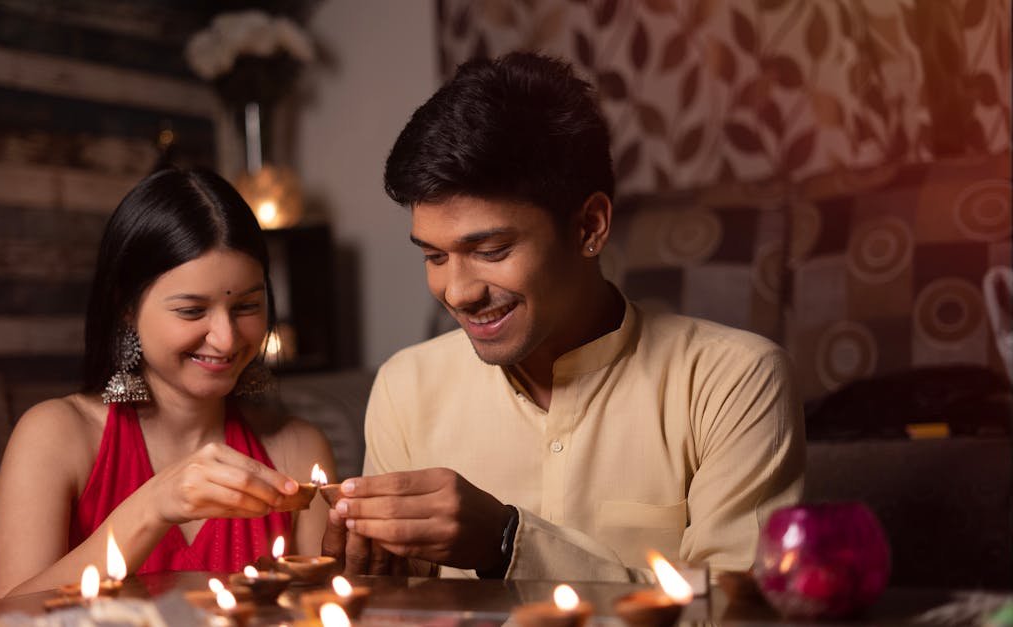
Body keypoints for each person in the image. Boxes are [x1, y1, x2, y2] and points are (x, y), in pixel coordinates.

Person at [321, 53, 804, 581]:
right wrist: (371, 581)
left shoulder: (734, 382)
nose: (456, 293)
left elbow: (737, 612)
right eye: (434, 256)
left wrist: (506, 544)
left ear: (589, 227)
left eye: (492, 249)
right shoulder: (405, 388)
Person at [0, 169, 335, 599]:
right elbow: (2, 618)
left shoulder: (296, 448)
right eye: (192, 311)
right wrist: (152, 508)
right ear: (126, 308)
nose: (226, 339)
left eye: (247, 306)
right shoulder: (56, 435)